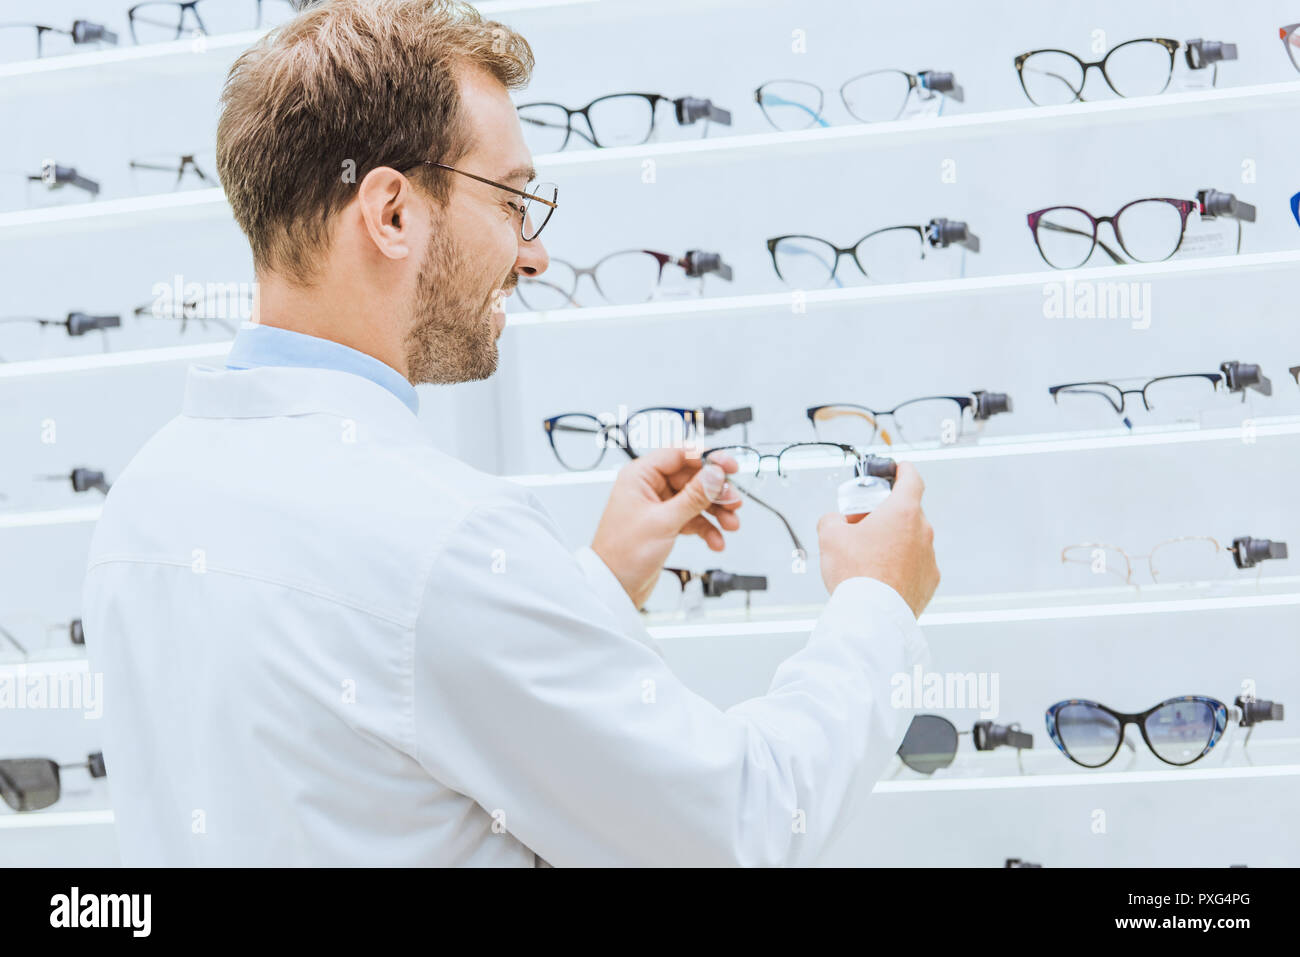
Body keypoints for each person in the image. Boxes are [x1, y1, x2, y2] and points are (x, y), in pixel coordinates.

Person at [81, 0, 939, 866]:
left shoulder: (149, 498)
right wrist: (877, 605)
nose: (534, 254)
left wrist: (594, 585)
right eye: (511, 200)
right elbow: (742, 822)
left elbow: (375, 732)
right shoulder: (446, 543)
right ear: (391, 215)